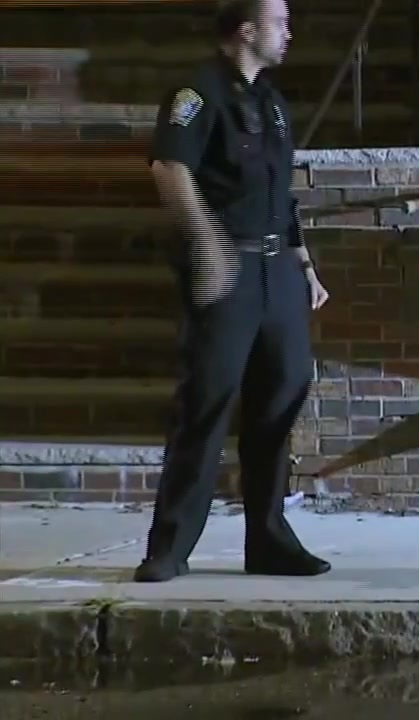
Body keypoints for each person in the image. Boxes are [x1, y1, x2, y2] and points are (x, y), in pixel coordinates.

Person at [135, 0, 331, 583]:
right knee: (208, 401)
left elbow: (280, 194)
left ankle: (268, 540)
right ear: (247, 30)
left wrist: (305, 264)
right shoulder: (198, 94)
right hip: (227, 271)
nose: (289, 32)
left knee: (282, 394)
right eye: (280, 22)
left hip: (277, 271)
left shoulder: (271, 102)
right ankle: (170, 547)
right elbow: (169, 168)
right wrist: (206, 242)